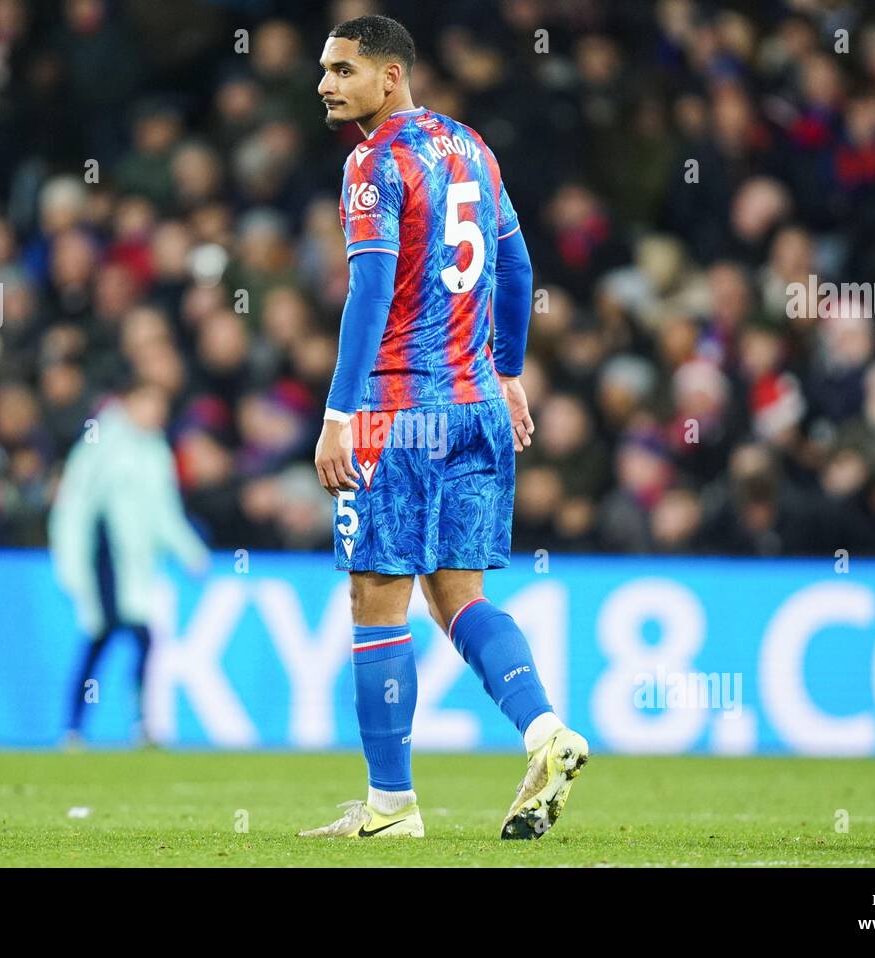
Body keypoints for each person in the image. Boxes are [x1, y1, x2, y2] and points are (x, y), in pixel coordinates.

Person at [302, 15, 588, 841]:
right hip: (475, 413)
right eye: (323, 69)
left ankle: (392, 808)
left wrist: (337, 415)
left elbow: (370, 293)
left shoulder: (372, 162)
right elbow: (519, 266)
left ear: (389, 77)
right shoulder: (471, 146)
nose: (325, 83)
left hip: (396, 414)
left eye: (342, 69)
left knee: (376, 601)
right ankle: (545, 732)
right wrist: (506, 371)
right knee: (459, 598)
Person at [48, 378, 210, 746]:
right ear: (131, 402)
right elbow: (74, 505)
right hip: (102, 561)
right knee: (111, 634)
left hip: (135, 568)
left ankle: (108, 725)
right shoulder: (101, 443)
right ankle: (81, 725)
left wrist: (191, 553)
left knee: (126, 638)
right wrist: (70, 563)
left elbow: (164, 514)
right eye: (151, 405)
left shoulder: (155, 452)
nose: (158, 414)